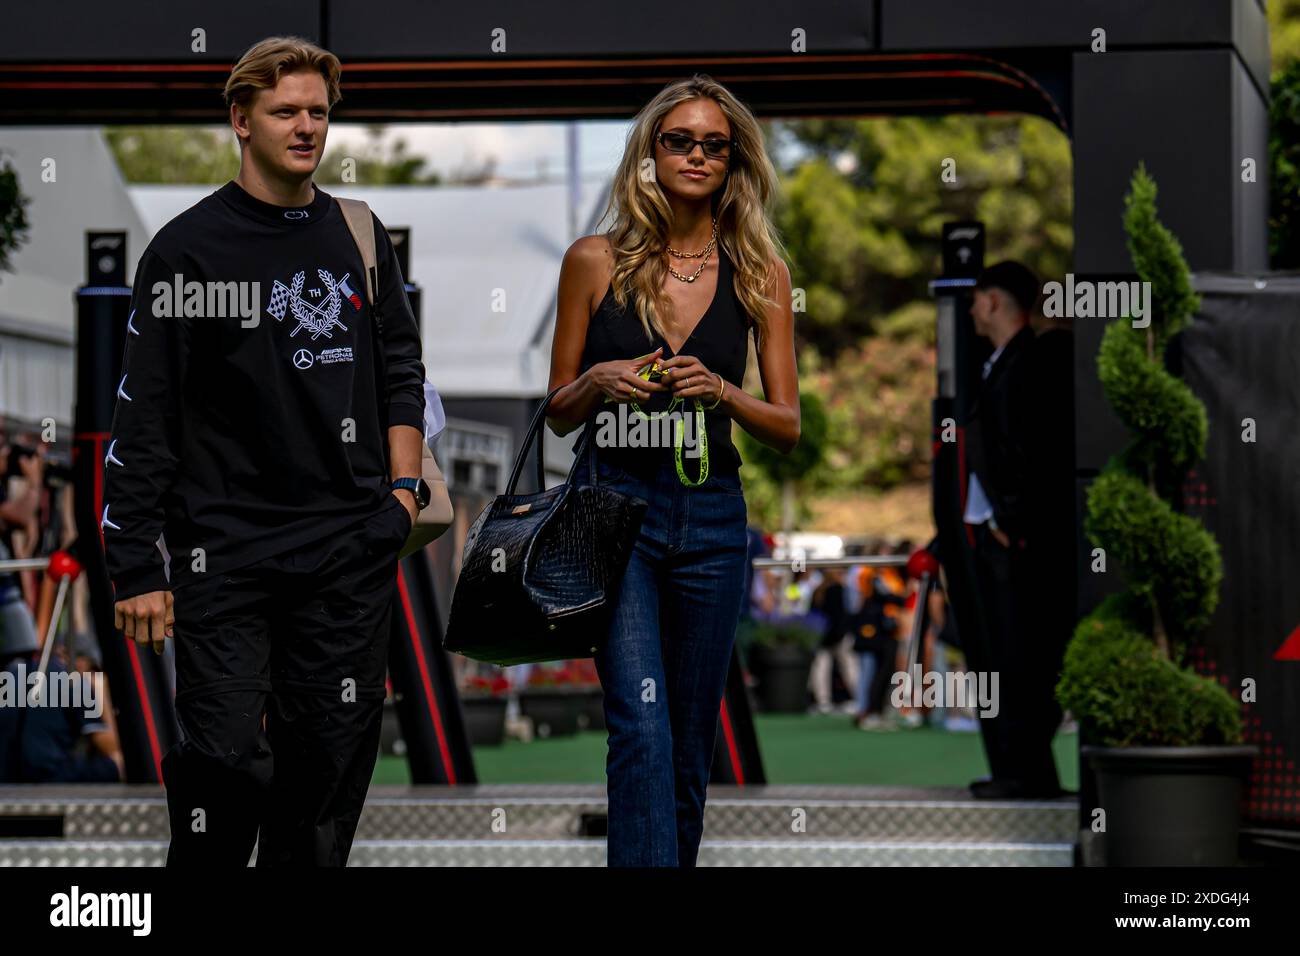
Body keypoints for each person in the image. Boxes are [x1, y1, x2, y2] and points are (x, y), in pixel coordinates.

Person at [101, 36, 427, 865]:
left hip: (349, 551)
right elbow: (146, 418)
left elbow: (402, 373)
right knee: (223, 768)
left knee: (321, 786)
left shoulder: (359, 234)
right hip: (226, 560)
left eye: (319, 111)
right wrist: (135, 565)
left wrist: (401, 497)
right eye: (287, 111)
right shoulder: (186, 249)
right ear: (240, 120)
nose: (307, 126)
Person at [544, 74, 799, 866]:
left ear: (733, 162)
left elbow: (789, 426)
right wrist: (595, 381)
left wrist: (723, 391)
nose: (696, 154)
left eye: (713, 145)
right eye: (679, 140)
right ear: (650, 151)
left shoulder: (761, 273)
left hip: (714, 517)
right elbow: (555, 408)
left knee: (689, 742)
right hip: (613, 510)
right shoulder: (594, 260)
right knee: (642, 727)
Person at [962, 260, 1068, 798]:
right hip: (995, 536)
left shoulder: (1033, 363)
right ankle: (1026, 771)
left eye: (978, 298)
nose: (972, 309)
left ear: (996, 302)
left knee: (1024, 657)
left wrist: (1012, 520)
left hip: (1018, 541)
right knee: (1007, 655)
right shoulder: (999, 362)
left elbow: (1037, 452)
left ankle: (1026, 774)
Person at [808, 568, 858, 714]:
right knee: (849, 666)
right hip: (837, 635)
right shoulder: (837, 589)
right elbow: (843, 614)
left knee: (822, 667)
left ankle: (823, 701)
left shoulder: (819, 590)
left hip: (825, 635)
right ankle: (858, 698)